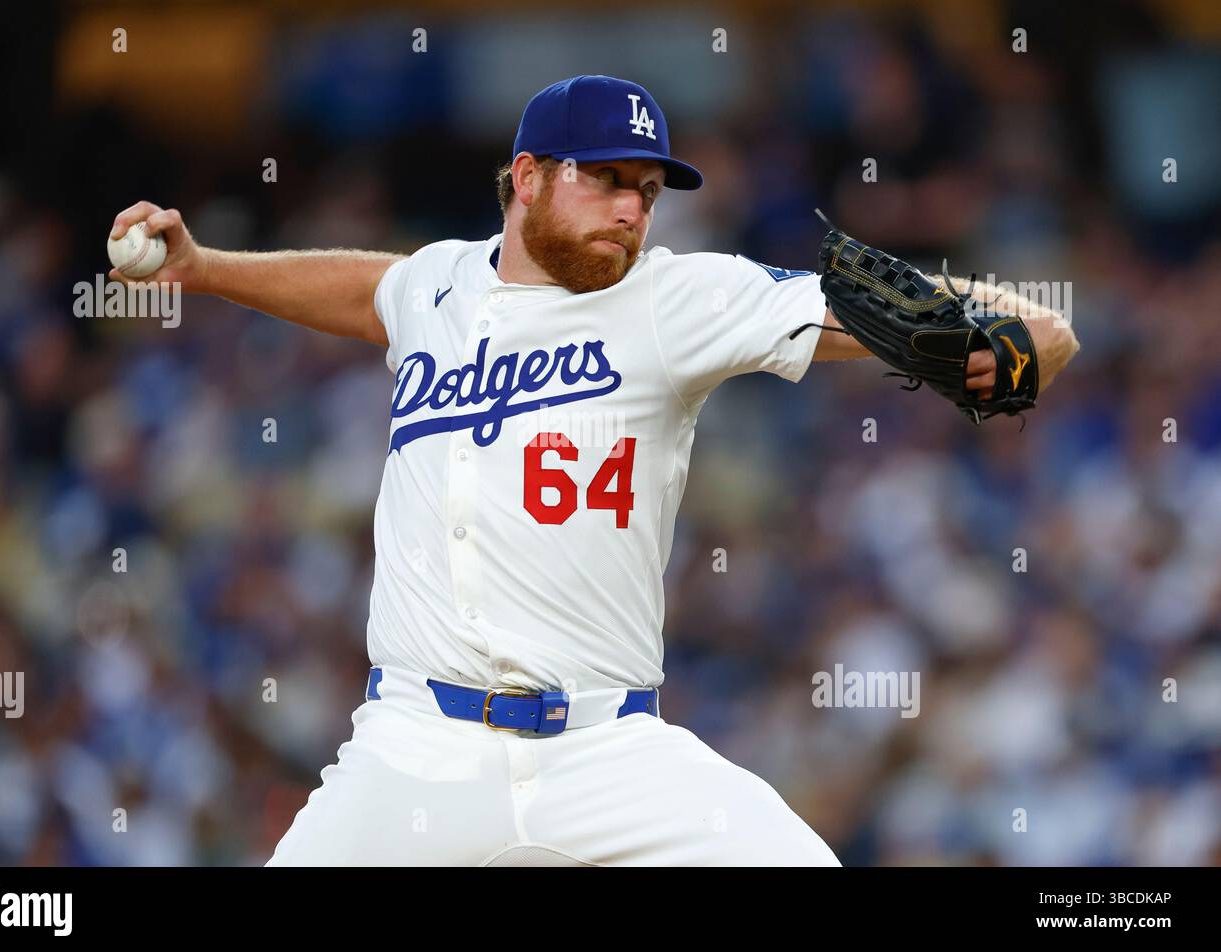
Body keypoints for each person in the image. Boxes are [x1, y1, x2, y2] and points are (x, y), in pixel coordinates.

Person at [110, 74, 1079, 865]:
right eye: (606, 178)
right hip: (415, 744)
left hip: (608, 748)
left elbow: (917, 314)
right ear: (526, 177)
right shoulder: (438, 283)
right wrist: (207, 269)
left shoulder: (681, 297)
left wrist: (1021, 324)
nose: (629, 209)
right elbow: (373, 290)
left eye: (646, 191)